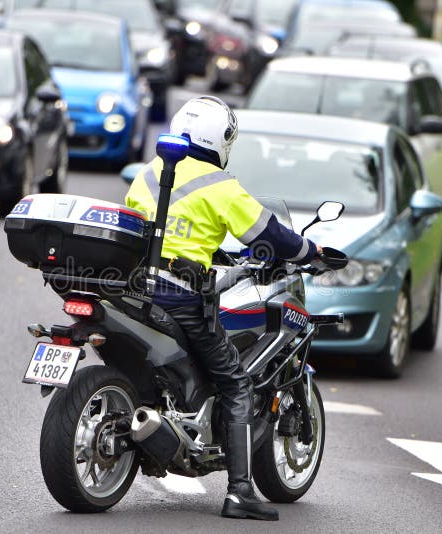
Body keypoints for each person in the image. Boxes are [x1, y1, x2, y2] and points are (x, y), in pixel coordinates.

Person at [125, 96, 321, 521]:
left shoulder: (147, 174)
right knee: (236, 383)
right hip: (181, 298)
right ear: (221, 139)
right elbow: (269, 234)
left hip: (135, 293)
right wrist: (311, 249)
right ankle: (239, 491)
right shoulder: (218, 184)